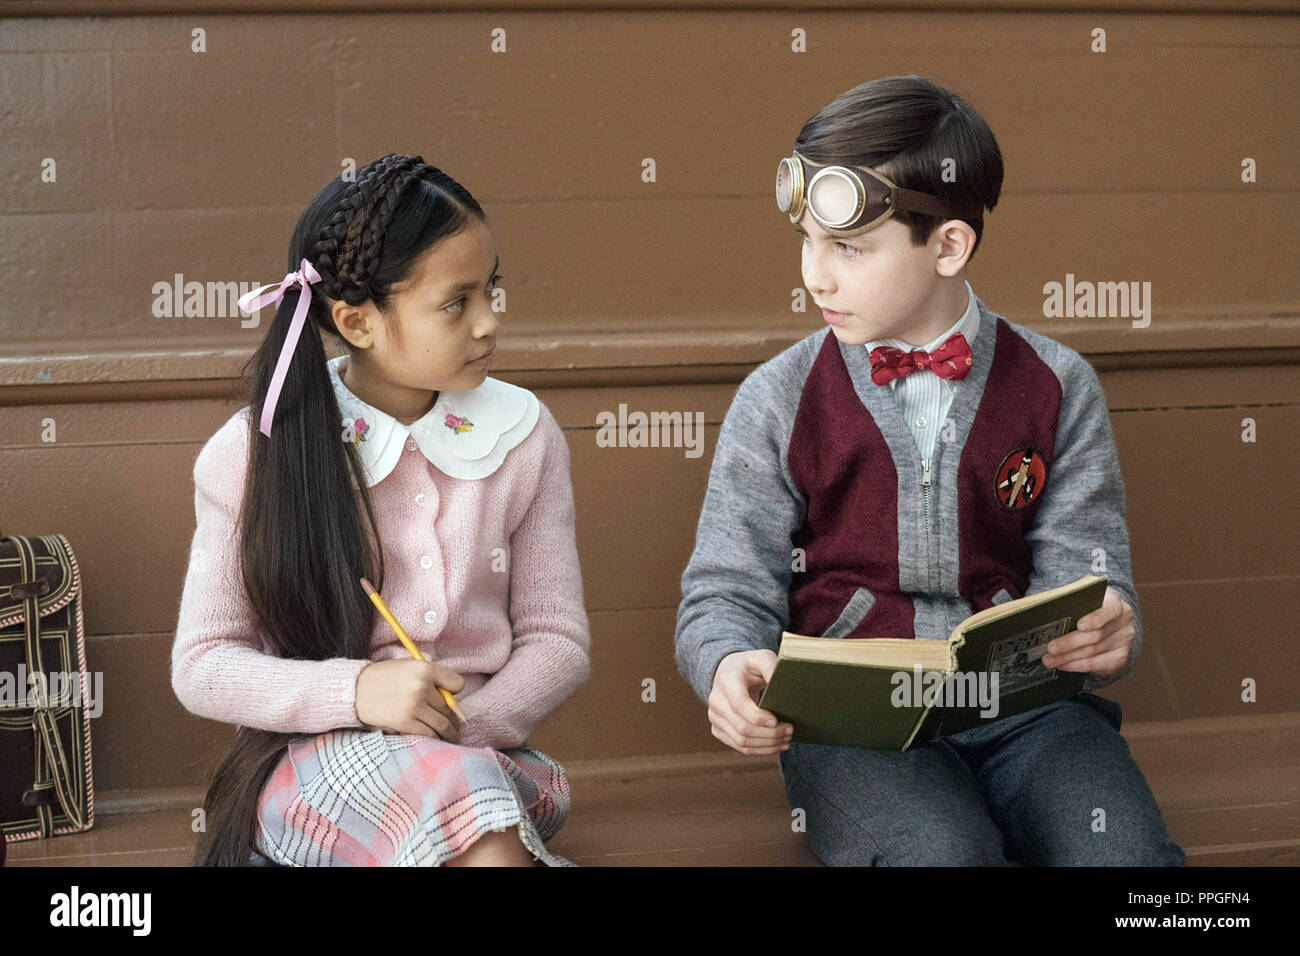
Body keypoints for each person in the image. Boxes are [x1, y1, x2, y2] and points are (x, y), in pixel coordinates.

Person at [673, 76, 1185, 866]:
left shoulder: (1056, 385)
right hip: (853, 731)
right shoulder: (776, 398)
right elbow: (723, 586)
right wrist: (725, 660)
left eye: (847, 247)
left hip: (1029, 715)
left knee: (1128, 860)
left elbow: (1089, 563)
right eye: (807, 240)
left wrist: (1109, 619)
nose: (816, 274)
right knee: (941, 855)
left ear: (948, 245)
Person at [171, 153, 590, 866]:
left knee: (470, 799)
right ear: (356, 322)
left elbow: (557, 638)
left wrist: (465, 726)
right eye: (457, 303)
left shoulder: (523, 434)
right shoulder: (252, 454)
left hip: (482, 759)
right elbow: (204, 665)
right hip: (310, 771)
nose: (489, 323)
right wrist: (361, 691)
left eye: (492, 289)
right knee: (479, 832)